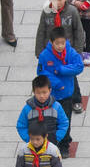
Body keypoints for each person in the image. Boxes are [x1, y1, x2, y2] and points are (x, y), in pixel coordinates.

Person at [36, 27, 84, 155]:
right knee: (50, 121)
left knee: (65, 120)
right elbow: (42, 72)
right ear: (52, 42)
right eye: (57, 43)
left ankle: (64, 145)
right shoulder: (45, 55)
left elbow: (79, 66)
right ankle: (51, 143)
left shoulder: (70, 52)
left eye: (62, 43)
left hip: (67, 95)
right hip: (50, 97)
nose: (60, 46)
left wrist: (62, 70)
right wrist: (57, 84)